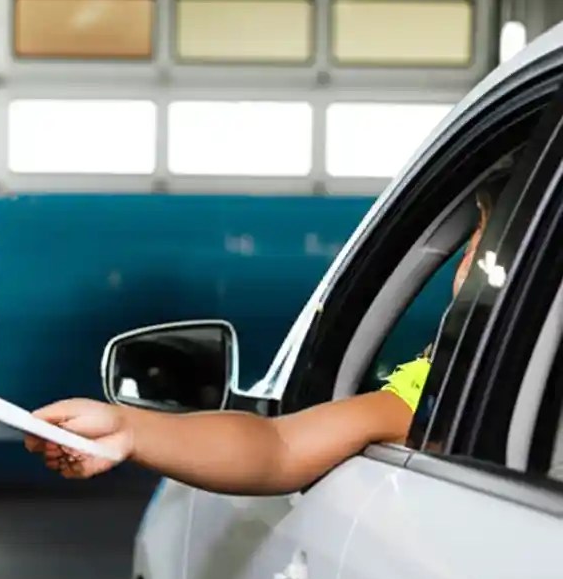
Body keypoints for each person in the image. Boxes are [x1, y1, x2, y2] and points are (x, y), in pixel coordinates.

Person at [25, 180, 496, 494]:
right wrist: (126, 428)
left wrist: (129, 429)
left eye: (479, 236)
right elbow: (278, 446)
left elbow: (281, 447)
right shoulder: (448, 384)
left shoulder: (450, 387)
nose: (465, 261)